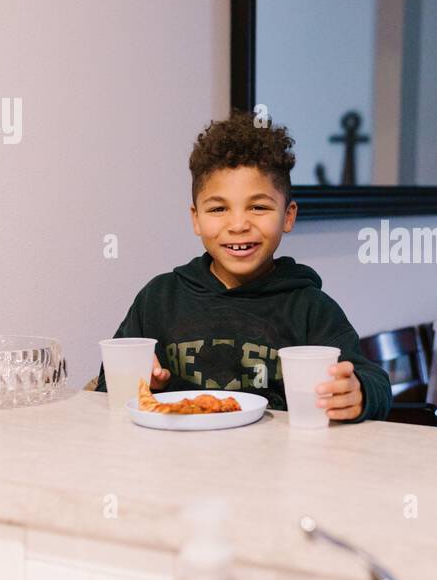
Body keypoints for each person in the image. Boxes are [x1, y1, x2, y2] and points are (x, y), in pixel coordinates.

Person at [95, 111, 391, 422]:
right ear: (196, 218)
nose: (238, 224)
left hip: (278, 464)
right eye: (219, 208)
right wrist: (139, 380)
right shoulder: (159, 299)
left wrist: (359, 392)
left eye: (259, 207)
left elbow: (374, 382)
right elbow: (107, 386)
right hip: (177, 462)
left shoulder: (309, 307)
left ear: (288, 216)